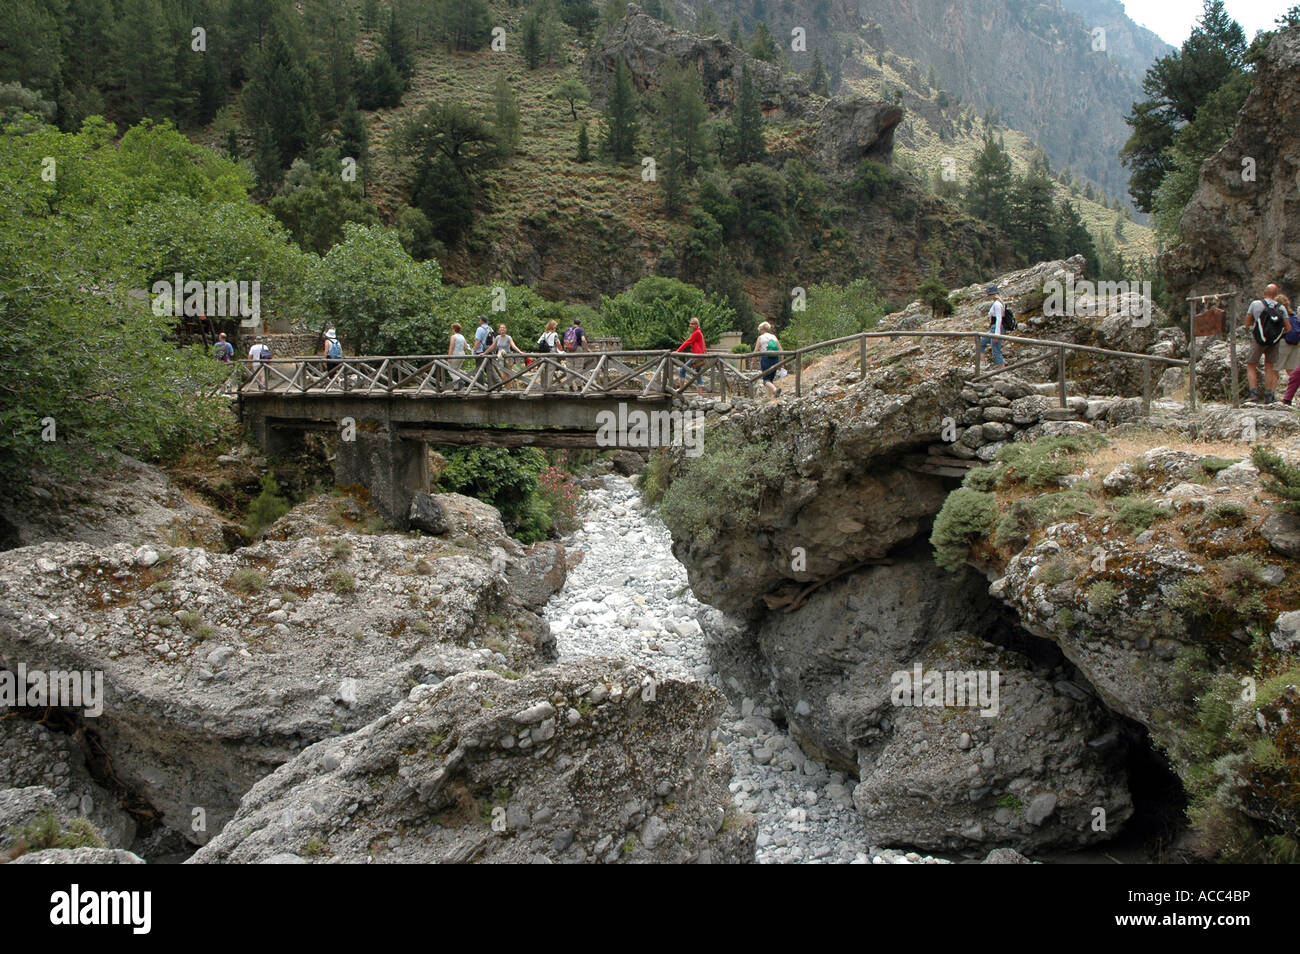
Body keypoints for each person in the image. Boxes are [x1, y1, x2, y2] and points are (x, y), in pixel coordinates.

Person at [1244, 283, 1287, 403]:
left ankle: (1253, 394)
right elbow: (1288, 327)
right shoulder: (1281, 308)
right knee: (1270, 367)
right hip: (1274, 342)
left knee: (1251, 365)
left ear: (1264, 293)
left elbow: (1247, 322)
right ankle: (1269, 396)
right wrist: (1276, 336)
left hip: (1258, 339)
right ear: (1275, 294)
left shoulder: (1256, 304)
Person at [675, 316, 708, 397]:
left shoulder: (697, 333)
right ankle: (700, 394)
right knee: (697, 374)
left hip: (697, 356)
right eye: (690, 324)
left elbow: (687, 342)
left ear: (697, 325)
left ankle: (681, 390)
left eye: (692, 324)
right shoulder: (698, 332)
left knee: (683, 369)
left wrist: (678, 351)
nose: (690, 325)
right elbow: (703, 344)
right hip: (699, 355)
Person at [486, 323, 523, 388]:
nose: (502, 329)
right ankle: (506, 389)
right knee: (502, 376)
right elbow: (492, 346)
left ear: (506, 329)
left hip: (508, 357)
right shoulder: (497, 337)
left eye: (504, 328)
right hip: (500, 358)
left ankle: (508, 389)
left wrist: (520, 351)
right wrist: (485, 353)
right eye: (501, 327)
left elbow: (513, 345)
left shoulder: (508, 337)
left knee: (508, 374)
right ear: (499, 329)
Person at [754, 321, 783, 399]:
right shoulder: (774, 337)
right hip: (775, 359)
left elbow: (755, 351)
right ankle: (771, 397)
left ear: (762, 329)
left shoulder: (760, 338)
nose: (759, 332)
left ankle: (775, 390)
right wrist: (782, 363)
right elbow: (781, 350)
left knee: (766, 380)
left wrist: (753, 363)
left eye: (760, 330)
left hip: (766, 359)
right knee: (771, 380)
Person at [981, 287, 1006, 369]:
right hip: (994, 328)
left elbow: (999, 319)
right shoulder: (999, 303)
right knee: (981, 341)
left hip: (996, 328)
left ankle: (1002, 370)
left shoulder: (997, 304)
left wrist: (996, 334)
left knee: (996, 350)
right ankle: (982, 363)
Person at [562, 318, 588, 391]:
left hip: (569, 350)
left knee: (569, 368)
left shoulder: (568, 330)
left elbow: (565, 341)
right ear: (579, 324)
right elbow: (583, 339)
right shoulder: (580, 330)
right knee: (578, 368)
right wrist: (586, 348)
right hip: (578, 349)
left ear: (573, 323)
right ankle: (579, 386)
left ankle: (570, 386)